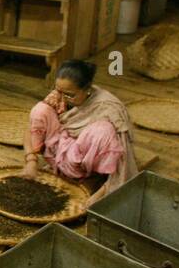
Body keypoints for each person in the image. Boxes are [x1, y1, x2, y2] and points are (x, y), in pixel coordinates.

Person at [23, 58, 138, 204]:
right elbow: (29, 129)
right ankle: (60, 167)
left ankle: (92, 176)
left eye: (70, 95)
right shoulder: (59, 95)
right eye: (59, 90)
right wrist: (31, 160)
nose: (63, 98)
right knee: (40, 110)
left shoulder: (108, 108)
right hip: (58, 152)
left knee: (103, 131)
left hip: (85, 160)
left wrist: (98, 195)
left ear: (87, 89)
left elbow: (123, 163)